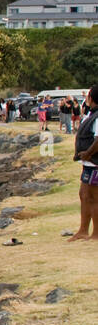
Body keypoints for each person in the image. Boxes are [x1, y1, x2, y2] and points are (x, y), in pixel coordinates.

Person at [70, 87, 98, 241]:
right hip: (88, 164)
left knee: (94, 197)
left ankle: (96, 234)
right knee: (84, 195)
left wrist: (88, 153)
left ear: (92, 98)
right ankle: (83, 230)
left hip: (95, 163)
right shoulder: (91, 114)